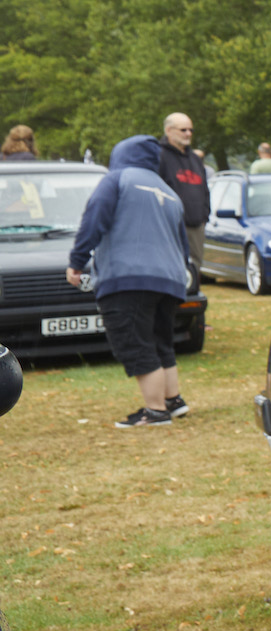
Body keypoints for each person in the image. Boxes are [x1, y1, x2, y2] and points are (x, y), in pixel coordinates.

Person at [66, 139, 193, 427]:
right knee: (161, 341)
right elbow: (182, 245)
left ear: (119, 155)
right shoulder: (169, 191)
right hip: (170, 279)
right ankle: (173, 401)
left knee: (134, 341)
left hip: (127, 278)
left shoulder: (117, 179)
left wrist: (77, 261)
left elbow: (94, 218)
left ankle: (155, 411)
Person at [155, 114, 210, 275]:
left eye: (191, 130)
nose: (188, 134)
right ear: (169, 130)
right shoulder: (159, 156)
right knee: (172, 270)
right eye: (183, 130)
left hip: (195, 227)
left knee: (194, 271)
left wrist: (204, 217)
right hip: (171, 226)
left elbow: (204, 190)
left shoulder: (195, 159)